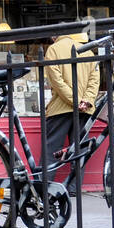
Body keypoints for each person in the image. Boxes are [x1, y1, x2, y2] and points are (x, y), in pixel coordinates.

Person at [43, 31, 100, 196]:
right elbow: (94, 80)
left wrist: (74, 100)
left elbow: (57, 80)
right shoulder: (87, 51)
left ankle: (44, 187)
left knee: (51, 149)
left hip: (60, 109)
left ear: (55, 36)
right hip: (85, 109)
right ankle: (74, 187)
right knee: (79, 150)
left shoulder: (53, 49)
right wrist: (86, 100)